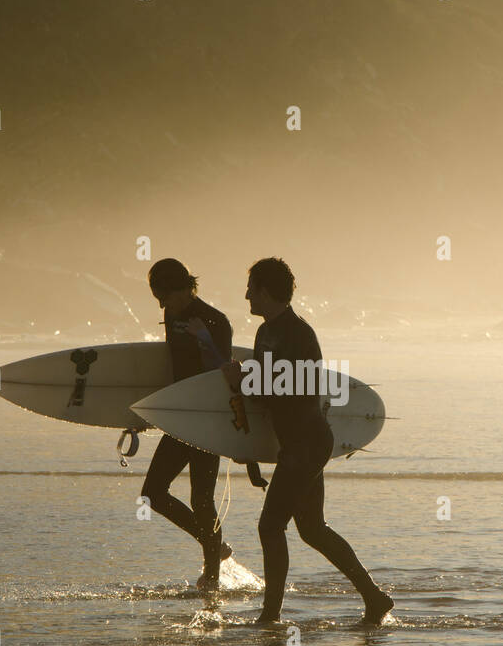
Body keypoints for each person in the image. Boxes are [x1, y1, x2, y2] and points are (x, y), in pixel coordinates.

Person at [221, 257, 394, 626]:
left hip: (308, 443)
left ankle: (270, 616)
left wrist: (242, 383)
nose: (246, 294)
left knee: (270, 526)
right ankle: (375, 598)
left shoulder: (299, 335)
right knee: (312, 529)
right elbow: (266, 405)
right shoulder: (266, 332)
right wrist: (250, 454)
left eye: (251, 287)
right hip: (296, 444)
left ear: (265, 291)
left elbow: (289, 393)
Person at [142, 258, 234, 590]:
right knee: (152, 493)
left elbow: (224, 371)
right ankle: (213, 546)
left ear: (182, 289)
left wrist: (205, 339)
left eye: (163, 296)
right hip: (180, 417)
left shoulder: (216, 321)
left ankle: (212, 578)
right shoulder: (172, 313)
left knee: (202, 500)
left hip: (208, 418)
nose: (161, 305)